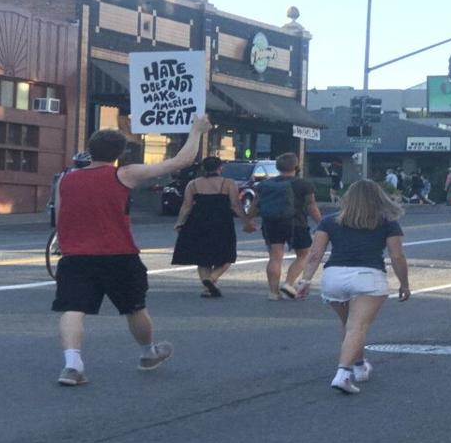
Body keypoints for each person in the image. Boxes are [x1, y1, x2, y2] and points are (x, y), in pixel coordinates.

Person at [50, 115, 212, 387]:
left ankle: (73, 364)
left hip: (76, 255)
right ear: (120, 153)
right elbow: (180, 161)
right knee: (134, 308)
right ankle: (149, 353)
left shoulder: (66, 178)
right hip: (118, 254)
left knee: (73, 309)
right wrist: (196, 131)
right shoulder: (124, 174)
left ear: (90, 149)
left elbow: (58, 218)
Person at [296, 180, 411, 395]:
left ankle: (359, 366)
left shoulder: (329, 222)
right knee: (357, 327)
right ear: (378, 199)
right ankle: (343, 374)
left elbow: (315, 254)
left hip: (334, 277)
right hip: (368, 277)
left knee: (350, 326)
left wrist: (305, 280)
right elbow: (397, 256)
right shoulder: (388, 223)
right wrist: (404, 284)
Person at [172, 156, 257, 297]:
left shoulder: (193, 184)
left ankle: (207, 287)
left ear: (203, 168)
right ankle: (211, 279)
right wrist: (246, 221)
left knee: (202, 257)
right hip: (222, 222)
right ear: (220, 168)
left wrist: (180, 222)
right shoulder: (228, 183)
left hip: (197, 222)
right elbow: (235, 205)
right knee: (227, 255)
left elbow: (186, 206)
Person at [256, 152, 322, 301]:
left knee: (275, 257)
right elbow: (311, 205)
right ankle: (288, 283)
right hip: (296, 223)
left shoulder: (265, 184)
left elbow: (256, 205)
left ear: (278, 167)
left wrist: (248, 220)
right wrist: (321, 222)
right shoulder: (304, 184)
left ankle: (273, 292)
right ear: (296, 166)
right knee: (304, 254)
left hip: (271, 223)